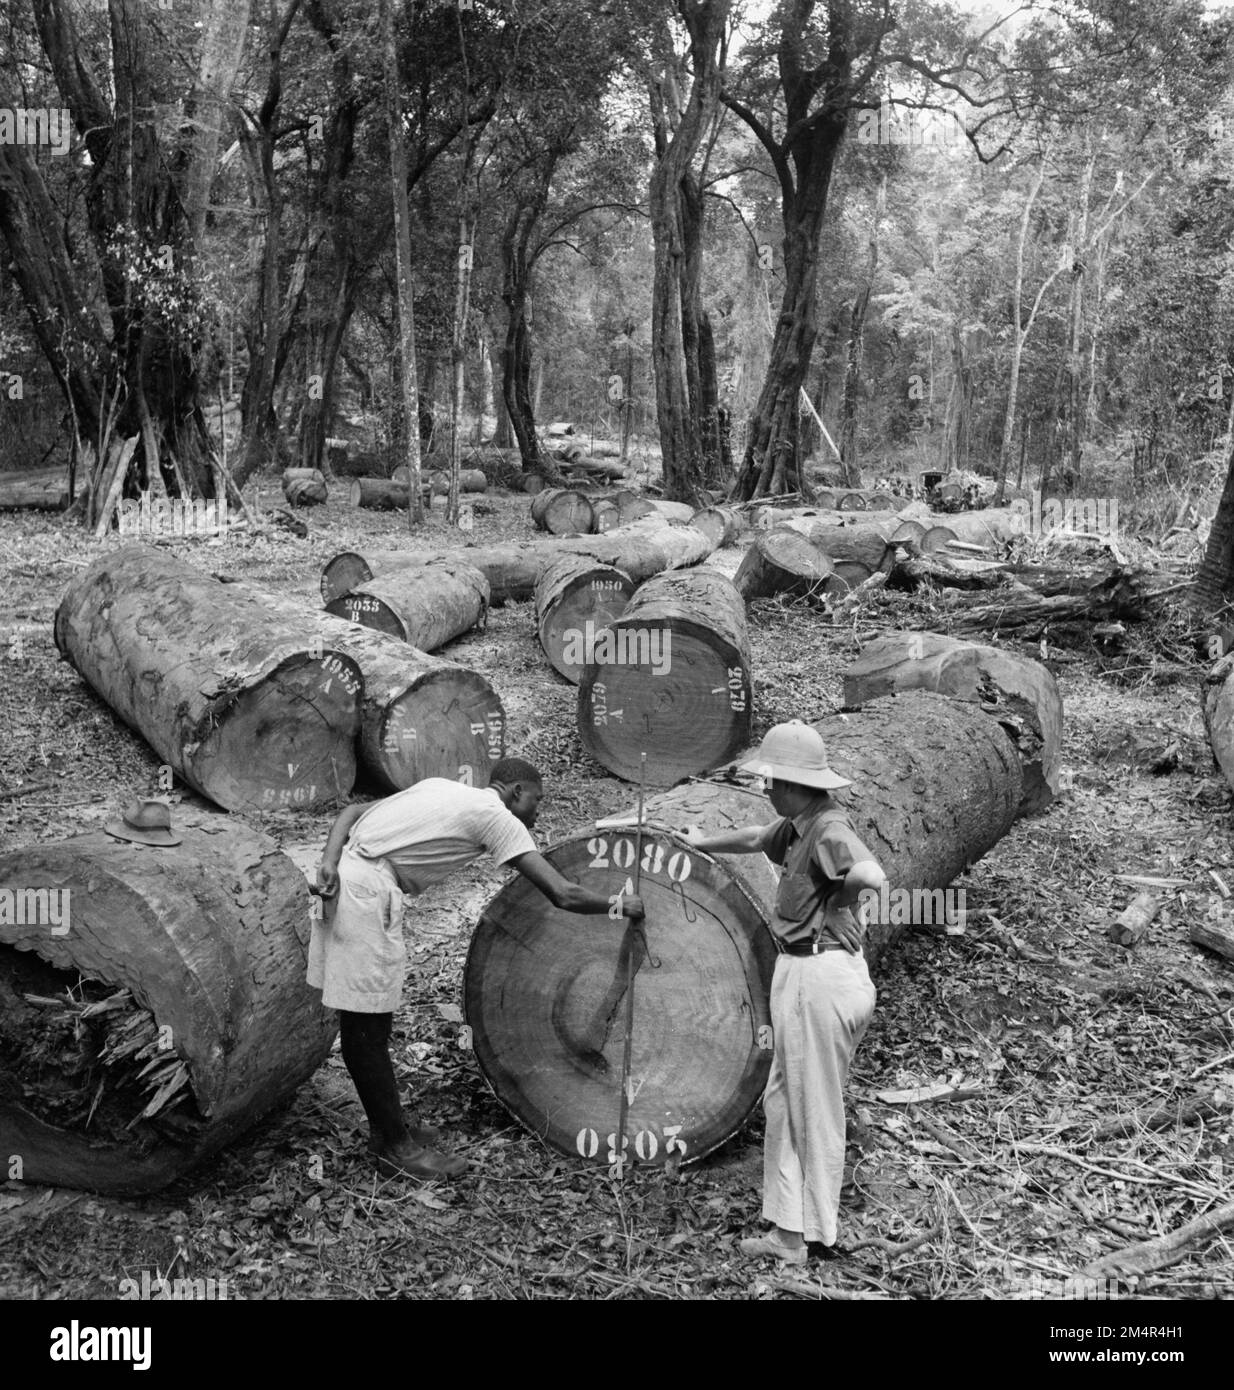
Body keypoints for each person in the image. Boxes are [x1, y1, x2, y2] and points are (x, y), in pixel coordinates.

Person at [310, 758, 645, 1180]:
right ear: (516, 792)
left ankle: (388, 1130)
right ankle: (395, 1148)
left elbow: (353, 812)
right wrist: (620, 904)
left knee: (370, 1023)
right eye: (537, 800)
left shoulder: (442, 787)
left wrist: (329, 859)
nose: (538, 812)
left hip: (348, 877)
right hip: (365, 893)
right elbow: (562, 893)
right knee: (366, 1028)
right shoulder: (496, 817)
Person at [682, 721, 885, 1263]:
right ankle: (791, 1230)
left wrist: (839, 900)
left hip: (819, 976)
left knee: (810, 1107)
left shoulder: (829, 827)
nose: (766, 789)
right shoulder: (800, 824)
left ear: (795, 783)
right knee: (786, 1101)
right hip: (809, 974)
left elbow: (871, 873)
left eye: (771, 781)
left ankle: (810, 1234)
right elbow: (755, 838)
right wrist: (701, 841)